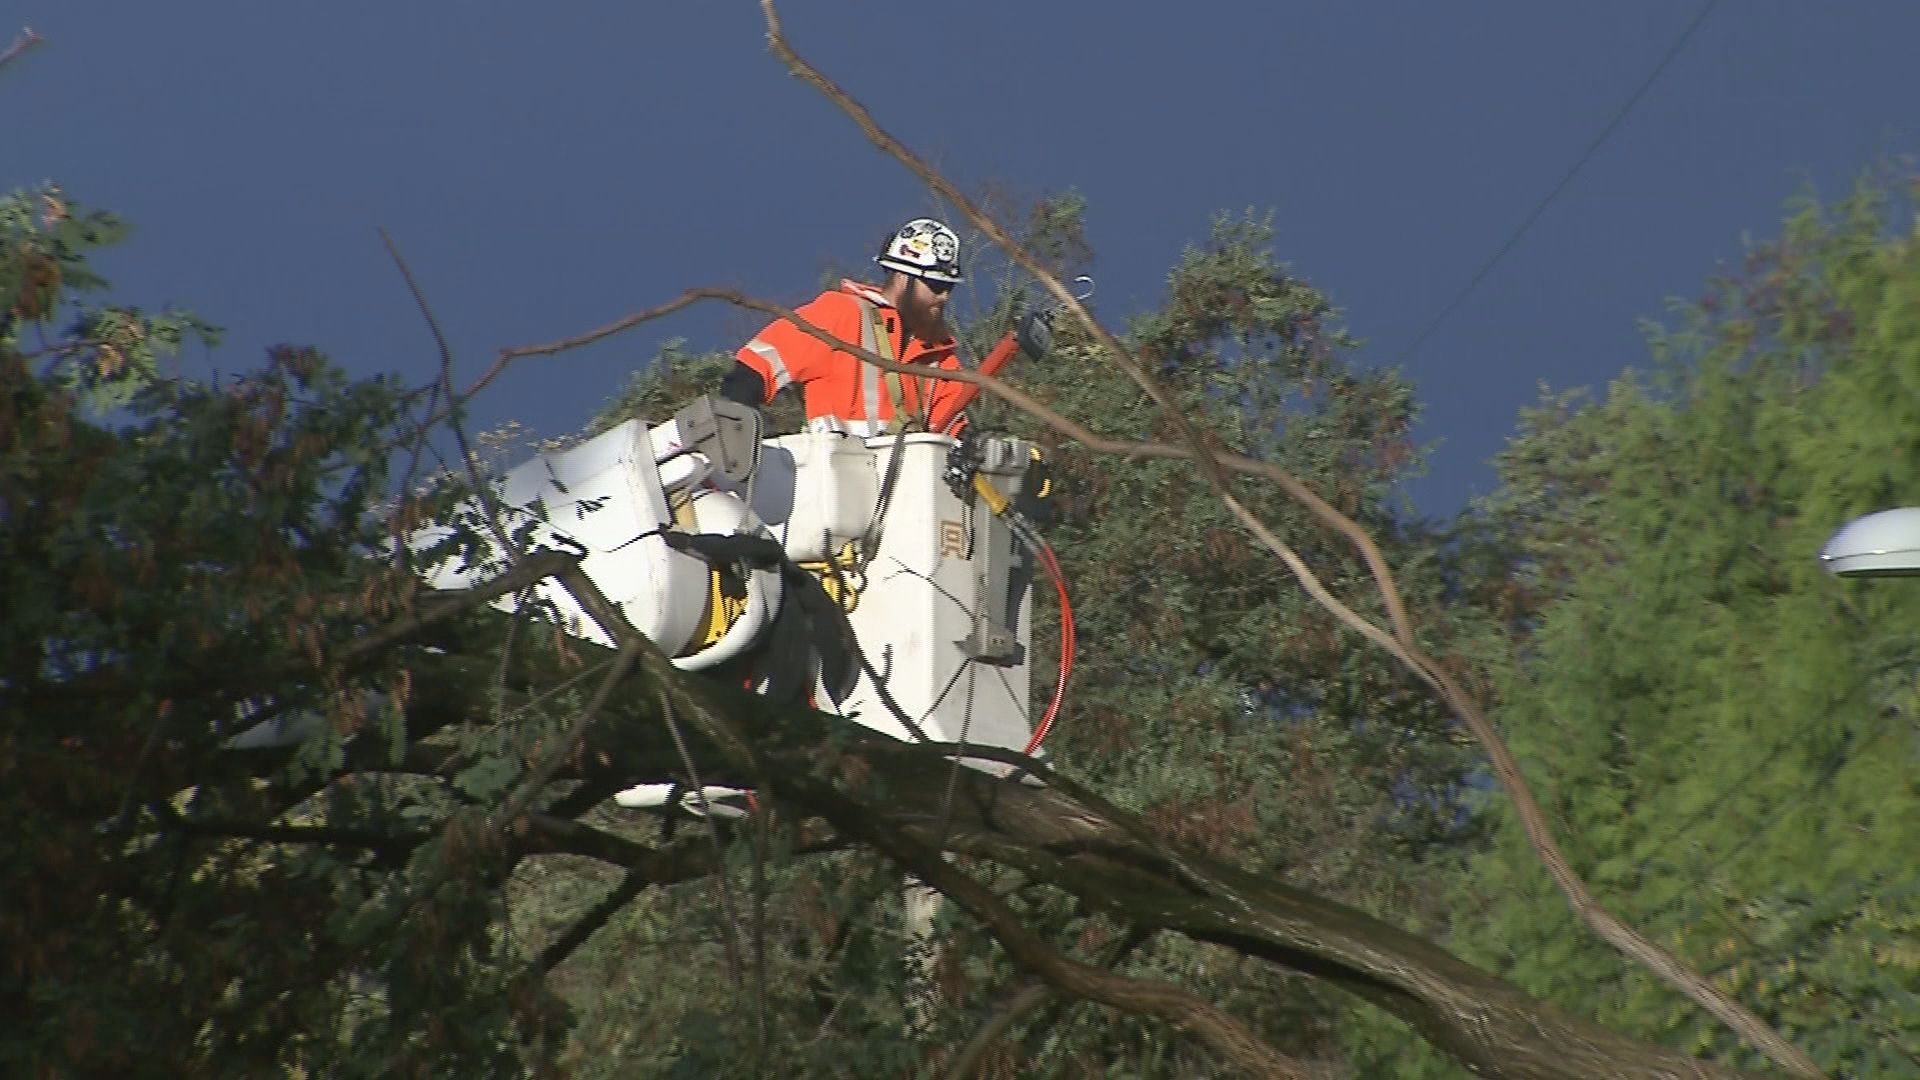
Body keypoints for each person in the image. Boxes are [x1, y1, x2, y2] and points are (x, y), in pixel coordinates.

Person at [722, 217, 995, 437]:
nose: (944, 296)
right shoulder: (841, 314)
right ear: (902, 276)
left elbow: (950, 435)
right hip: (835, 485)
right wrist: (732, 432)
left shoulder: (941, 359)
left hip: (908, 497)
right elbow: (755, 368)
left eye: (948, 287)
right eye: (936, 286)